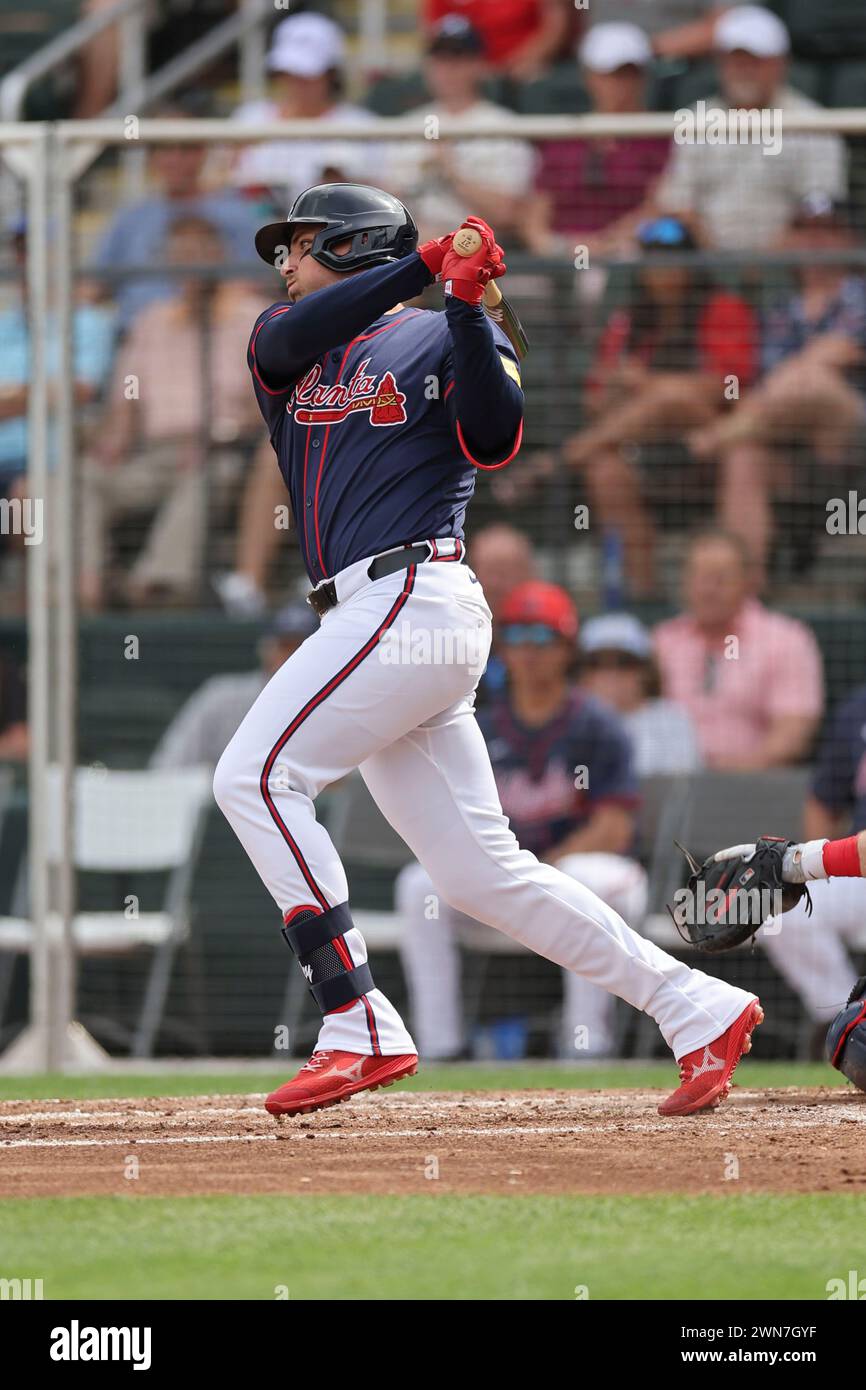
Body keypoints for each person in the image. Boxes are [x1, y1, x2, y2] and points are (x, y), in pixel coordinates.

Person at [212, 180, 761, 1123]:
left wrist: (464, 307)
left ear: (349, 247)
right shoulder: (287, 347)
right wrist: (423, 268)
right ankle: (696, 1004)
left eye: (298, 246)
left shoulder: (446, 332)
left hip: (411, 594)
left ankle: (357, 1019)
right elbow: (284, 337)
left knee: (255, 778)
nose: (285, 265)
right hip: (370, 614)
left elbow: (494, 437)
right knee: (478, 875)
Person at [397, 581, 647, 1060]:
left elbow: (614, 829)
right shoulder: (477, 725)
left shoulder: (598, 725)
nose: (529, 651)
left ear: (567, 648)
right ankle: (441, 1048)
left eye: (542, 638)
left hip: (600, 877)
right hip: (506, 879)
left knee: (578, 880)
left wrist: (538, 869)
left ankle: (587, 1047)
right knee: (418, 887)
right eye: (517, 637)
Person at [563, 215, 758, 595]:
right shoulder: (628, 320)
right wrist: (618, 389)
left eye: (672, 258)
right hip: (645, 450)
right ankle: (641, 593)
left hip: (712, 443)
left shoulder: (723, 308)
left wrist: (648, 384)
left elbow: (731, 387)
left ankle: (566, 455)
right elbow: (595, 399)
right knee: (604, 468)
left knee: (671, 398)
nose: (661, 269)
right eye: (653, 259)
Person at [80, 215, 266, 609]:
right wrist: (113, 442)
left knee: (200, 480)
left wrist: (217, 437)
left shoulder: (253, 317)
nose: (190, 264)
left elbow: (265, 405)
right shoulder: (151, 322)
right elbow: (126, 402)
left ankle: (156, 589)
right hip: (150, 453)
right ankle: (87, 589)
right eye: (181, 255)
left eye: (199, 254)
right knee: (82, 478)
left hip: (221, 451)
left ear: (219, 256)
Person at [688, 195, 866, 577]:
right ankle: (745, 594)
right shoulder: (780, 307)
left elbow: (837, 353)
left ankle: (714, 437)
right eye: (804, 229)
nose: (815, 240)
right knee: (743, 455)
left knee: (812, 378)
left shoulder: (860, 294)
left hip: (849, 441)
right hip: (788, 445)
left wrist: (791, 375)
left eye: (828, 230)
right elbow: (764, 378)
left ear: (849, 239)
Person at [652, 5, 847, 251]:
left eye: (755, 61)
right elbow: (678, 201)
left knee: (820, 244)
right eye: (735, 61)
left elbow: (819, 205)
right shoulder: (695, 118)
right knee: (661, 239)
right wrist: (716, 259)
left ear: (780, 63)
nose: (743, 70)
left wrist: (769, 261)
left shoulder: (812, 122)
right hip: (705, 260)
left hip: (787, 263)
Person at [653, 530, 824, 770]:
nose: (708, 590)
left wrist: (732, 771)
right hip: (670, 783)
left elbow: (793, 730)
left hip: (755, 786)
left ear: (747, 581)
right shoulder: (662, 641)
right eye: (700, 578)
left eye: (720, 579)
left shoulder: (785, 639)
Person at [89, 106, 262, 334]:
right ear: (151, 157)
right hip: (134, 341)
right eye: (164, 149)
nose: (175, 159)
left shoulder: (236, 214)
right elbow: (94, 287)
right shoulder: (131, 219)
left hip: (211, 338)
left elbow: (252, 285)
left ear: (203, 152)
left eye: (186, 148)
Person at [524, 23, 672, 260]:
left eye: (628, 74)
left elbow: (661, 205)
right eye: (609, 74)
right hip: (563, 254)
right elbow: (536, 217)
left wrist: (608, 242)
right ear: (589, 77)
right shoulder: (564, 137)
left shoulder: (660, 139)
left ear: (643, 77)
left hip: (629, 250)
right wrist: (558, 246)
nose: (619, 84)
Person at [383, 16, 537, 245]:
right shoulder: (407, 125)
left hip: (480, 250)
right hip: (414, 249)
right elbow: (386, 206)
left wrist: (452, 175)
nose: (448, 68)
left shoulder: (503, 126)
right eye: (440, 58)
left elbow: (508, 214)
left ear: (479, 64)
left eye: (458, 58)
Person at [231, 12, 379, 208]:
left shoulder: (363, 126)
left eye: (306, 74)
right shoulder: (249, 119)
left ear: (332, 73)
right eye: (287, 72)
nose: (295, 82)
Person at [151, 603, 319, 769]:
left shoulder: (334, 703)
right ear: (266, 649)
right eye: (285, 647)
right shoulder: (222, 698)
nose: (292, 657)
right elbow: (169, 765)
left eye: (301, 647)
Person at [579, 612, 702, 776]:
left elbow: (680, 790)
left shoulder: (672, 720)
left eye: (624, 662)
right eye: (597, 663)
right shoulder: (569, 721)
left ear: (646, 671)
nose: (612, 673)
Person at [422, 0, 573, 77]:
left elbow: (555, 22)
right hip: (471, 69)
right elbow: (434, 30)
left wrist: (525, 60)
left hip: (526, 71)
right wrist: (474, 66)